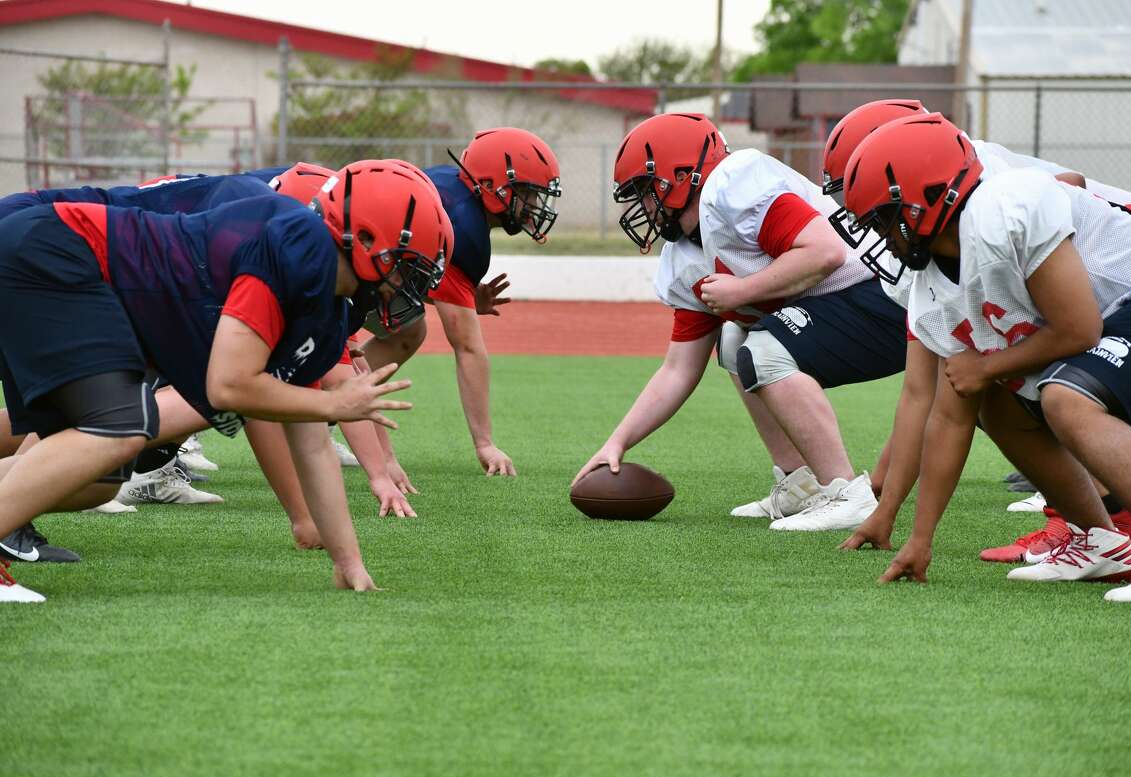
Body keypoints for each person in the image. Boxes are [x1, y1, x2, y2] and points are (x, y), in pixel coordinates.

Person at [0, 159, 451, 602]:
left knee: (98, 479)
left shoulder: (328, 310)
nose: (409, 288)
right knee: (116, 432)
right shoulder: (300, 245)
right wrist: (333, 406)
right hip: (62, 250)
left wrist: (348, 561)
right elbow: (229, 386)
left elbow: (311, 444)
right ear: (368, 239)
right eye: (408, 268)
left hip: (72, 268)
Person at [840, 112, 1131, 602]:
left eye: (883, 218)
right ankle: (1101, 542)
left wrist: (986, 365)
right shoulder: (931, 291)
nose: (882, 236)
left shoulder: (1005, 204)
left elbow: (1079, 327)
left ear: (926, 199)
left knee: (1066, 397)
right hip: (1127, 316)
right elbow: (949, 417)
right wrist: (919, 539)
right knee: (993, 403)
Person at [573, 113, 904, 534]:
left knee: (763, 346)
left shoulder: (732, 187)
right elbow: (677, 369)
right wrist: (616, 442)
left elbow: (825, 253)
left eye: (644, 190)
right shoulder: (683, 256)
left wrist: (743, 291)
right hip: (845, 309)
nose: (643, 206)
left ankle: (846, 494)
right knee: (734, 339)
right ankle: (800, 484)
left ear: (677, 176)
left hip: (883, 297)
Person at [359, 129, 562, 477]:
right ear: (491, 185)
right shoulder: (462, 225)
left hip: (350, 250)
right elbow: (468, 347)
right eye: (526, 193)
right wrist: (484, 442)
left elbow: (404, 264)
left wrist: (462, 293)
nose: (533, 206)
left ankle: (326, 412)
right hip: (330, 250)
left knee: (406, 325)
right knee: (326, 343)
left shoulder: (451, 189)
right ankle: (318, 409)